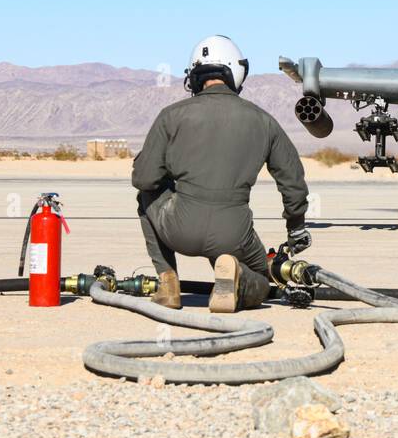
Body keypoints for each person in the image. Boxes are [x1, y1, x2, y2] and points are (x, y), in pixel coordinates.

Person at [131, 35, 310, 312]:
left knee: (146, 197)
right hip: (234, 234)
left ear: (194, 76)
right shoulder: (264, 120)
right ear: (236, 71)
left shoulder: (171, 115)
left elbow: (144, 179)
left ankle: (168, 282)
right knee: (262, 280)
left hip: (179, 228)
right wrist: (295, 226)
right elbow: (293, 180)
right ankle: (236, 276)